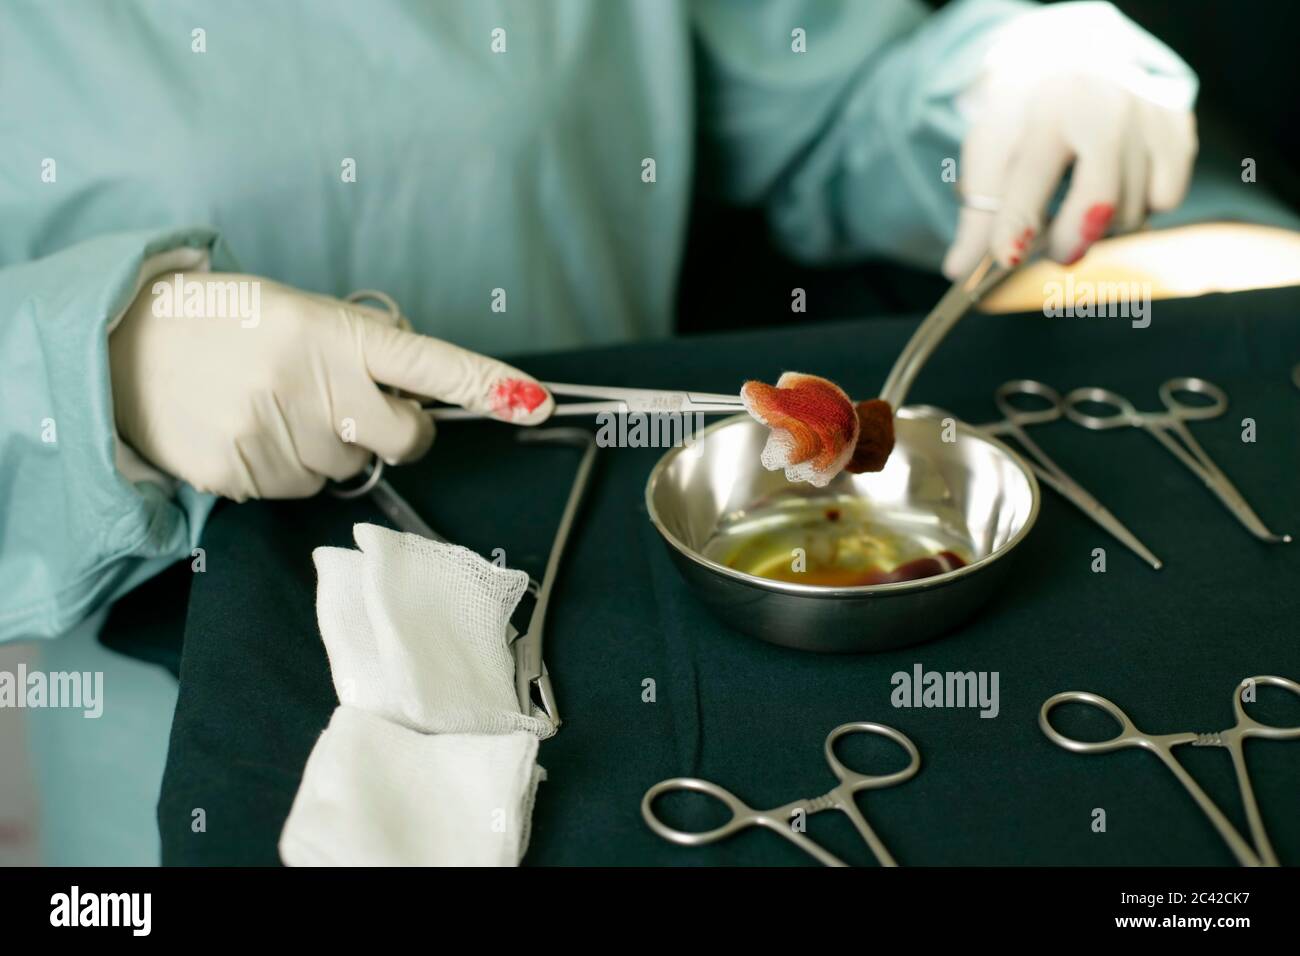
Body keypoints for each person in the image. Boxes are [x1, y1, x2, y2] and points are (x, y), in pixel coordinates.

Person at [0, 0, 1199, 643]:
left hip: (605, 593)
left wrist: (1007, 75)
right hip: (175, 689)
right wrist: (97, 365)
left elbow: (822, 101)